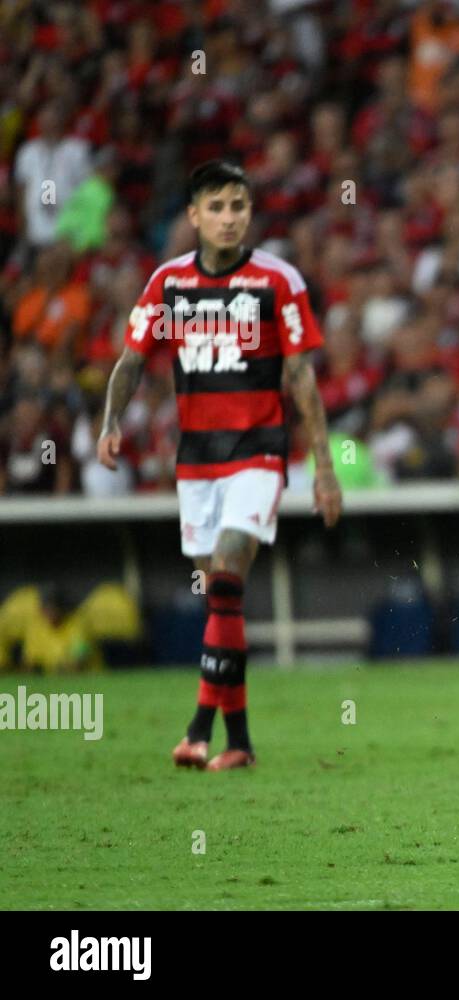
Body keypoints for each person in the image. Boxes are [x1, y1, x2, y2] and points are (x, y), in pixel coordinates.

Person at [97, 161, 342, 771]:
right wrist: (109, 422)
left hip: (257, 453)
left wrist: (324, 466)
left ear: (249, 212)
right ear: (194, 216)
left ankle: (197, 730)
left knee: (227, 578)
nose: (229, 218)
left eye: (239, 206)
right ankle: (240, 744)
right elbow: (131, 360)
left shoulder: (276, 281)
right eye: (217, 207)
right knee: (220, 603)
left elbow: (301, 378)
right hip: (196, 463)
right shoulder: (168, 285)